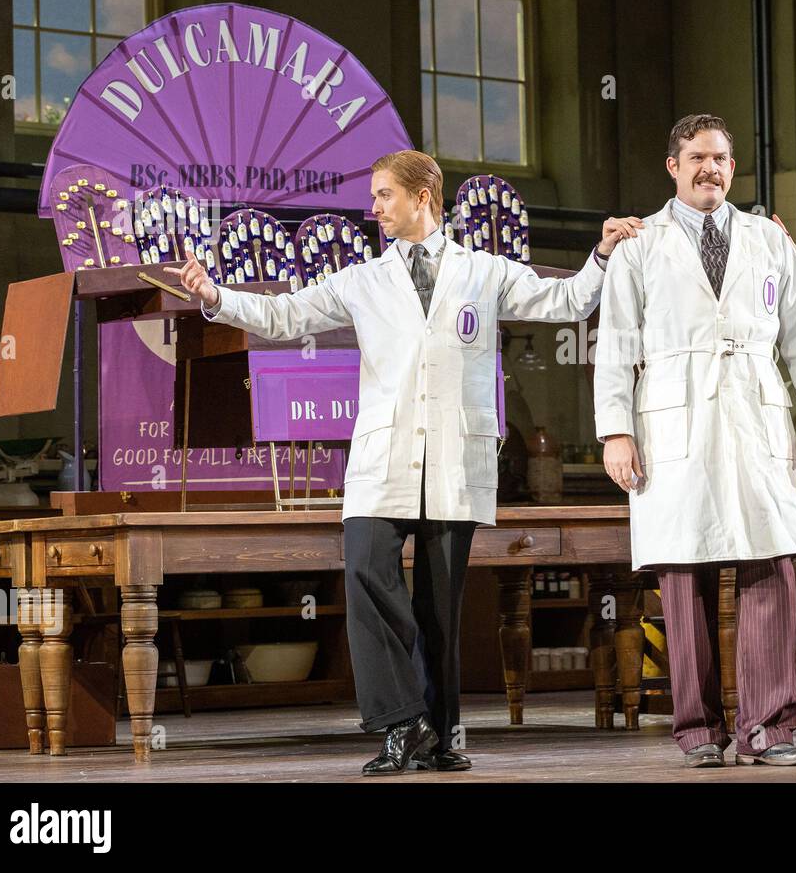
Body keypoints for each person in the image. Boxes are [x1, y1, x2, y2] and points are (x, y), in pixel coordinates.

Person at [167, 149, 636, 775]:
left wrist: (601, 256)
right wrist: (215, 296)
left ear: (423, 198)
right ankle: (400, 721)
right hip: (382, 459)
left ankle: (438, 738)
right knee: (364, 575)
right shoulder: (363, 279)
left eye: (384, 194)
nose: (374, 207)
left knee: (439, 609)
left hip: (453, 457)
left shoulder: (484, 273)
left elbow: (567, 302)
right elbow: (283, 315)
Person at [595, 114, 796, 768]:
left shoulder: (769, 240)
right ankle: (700, 730)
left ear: (734, 168)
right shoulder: (639, 247)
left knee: (771, 568)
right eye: (698, 156)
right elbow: (616, 347)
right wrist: (615, 430)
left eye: (723, 158)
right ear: (673, 166)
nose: (712, 168)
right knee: (686, 577)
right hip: (672, 422)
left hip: (757, 416)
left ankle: (768, 731)